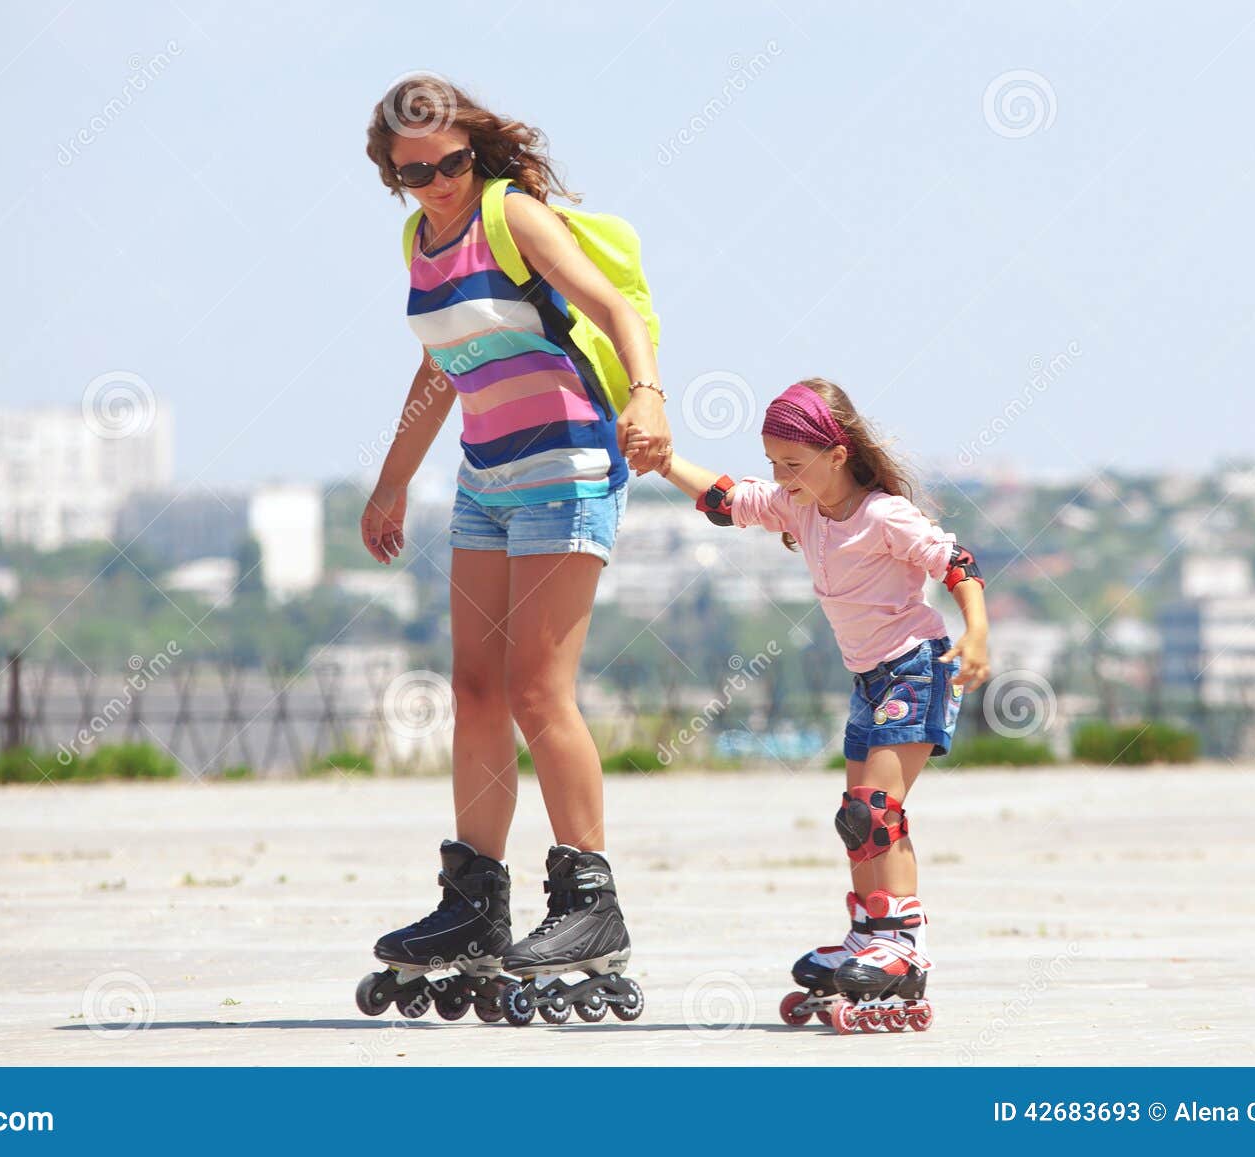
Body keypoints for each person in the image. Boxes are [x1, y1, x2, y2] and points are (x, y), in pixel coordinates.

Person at [353, 76, 669, 1023]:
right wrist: (391, 482)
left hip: (569, 467)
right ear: (392, 175)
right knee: (476, 690)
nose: (438, 182)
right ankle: (474, 904)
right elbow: (438, 370)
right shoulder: (419, 242)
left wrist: (647, 395)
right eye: (415, 173)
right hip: (486, 480)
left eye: (451, 162)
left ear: (474, 150)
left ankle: (590, 904)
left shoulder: (511, 215)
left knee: (538, 690)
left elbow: (611, 307)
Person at [628, 377, 990, 1032]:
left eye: (792, 464)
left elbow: (956, 562)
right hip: (870, 680)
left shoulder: (884, 515)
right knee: (856, 822)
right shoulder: (800, 509)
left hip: (919, 668)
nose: (781, 476)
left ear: (837, 453)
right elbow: (724, 500)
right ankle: (869, 936)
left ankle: (904, 948)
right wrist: (664, 460)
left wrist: (978, 633)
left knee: (876, 810)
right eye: (774, 463)